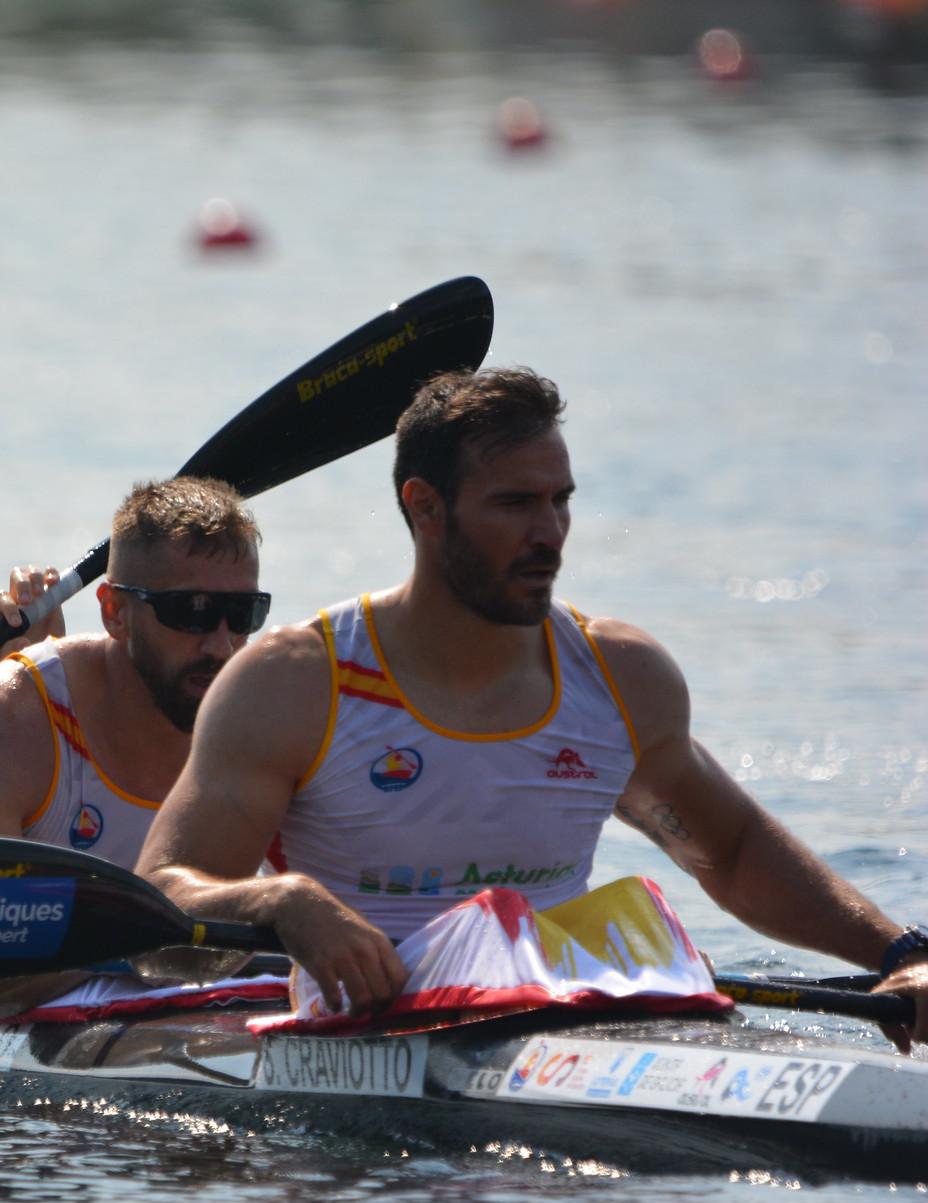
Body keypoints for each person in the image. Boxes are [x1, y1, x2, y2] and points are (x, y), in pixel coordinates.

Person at [138, 366, 928, 1049]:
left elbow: (737, 854)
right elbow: (161, 904)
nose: (549, 533)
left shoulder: (620, 677)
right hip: (364, 1033)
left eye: (561, 501)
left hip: (565, 1032)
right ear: (424, 507)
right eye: (515, 503)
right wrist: (282, 900)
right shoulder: (296, 683)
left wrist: (898, 953)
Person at [0, 476, 264, 860]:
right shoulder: (3, 720)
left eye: (241, 613)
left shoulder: (276, 730)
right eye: (191, 611)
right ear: (114, 612)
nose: (220, 646)